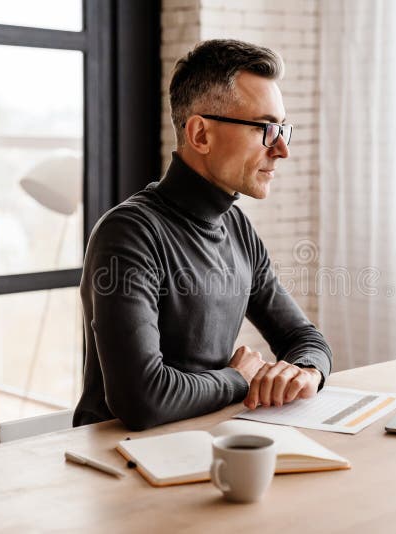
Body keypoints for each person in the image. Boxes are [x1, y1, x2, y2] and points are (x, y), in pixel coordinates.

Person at [73, 39, 332, 430]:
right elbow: (141, 399)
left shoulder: (236, 227)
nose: (282, 148)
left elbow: (303, 337)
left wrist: (305, 372)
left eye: (282, 129)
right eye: (265, 128)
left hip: (203, 440)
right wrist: (239, 379)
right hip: (118, 454)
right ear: (200, 135)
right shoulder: (128, 234)